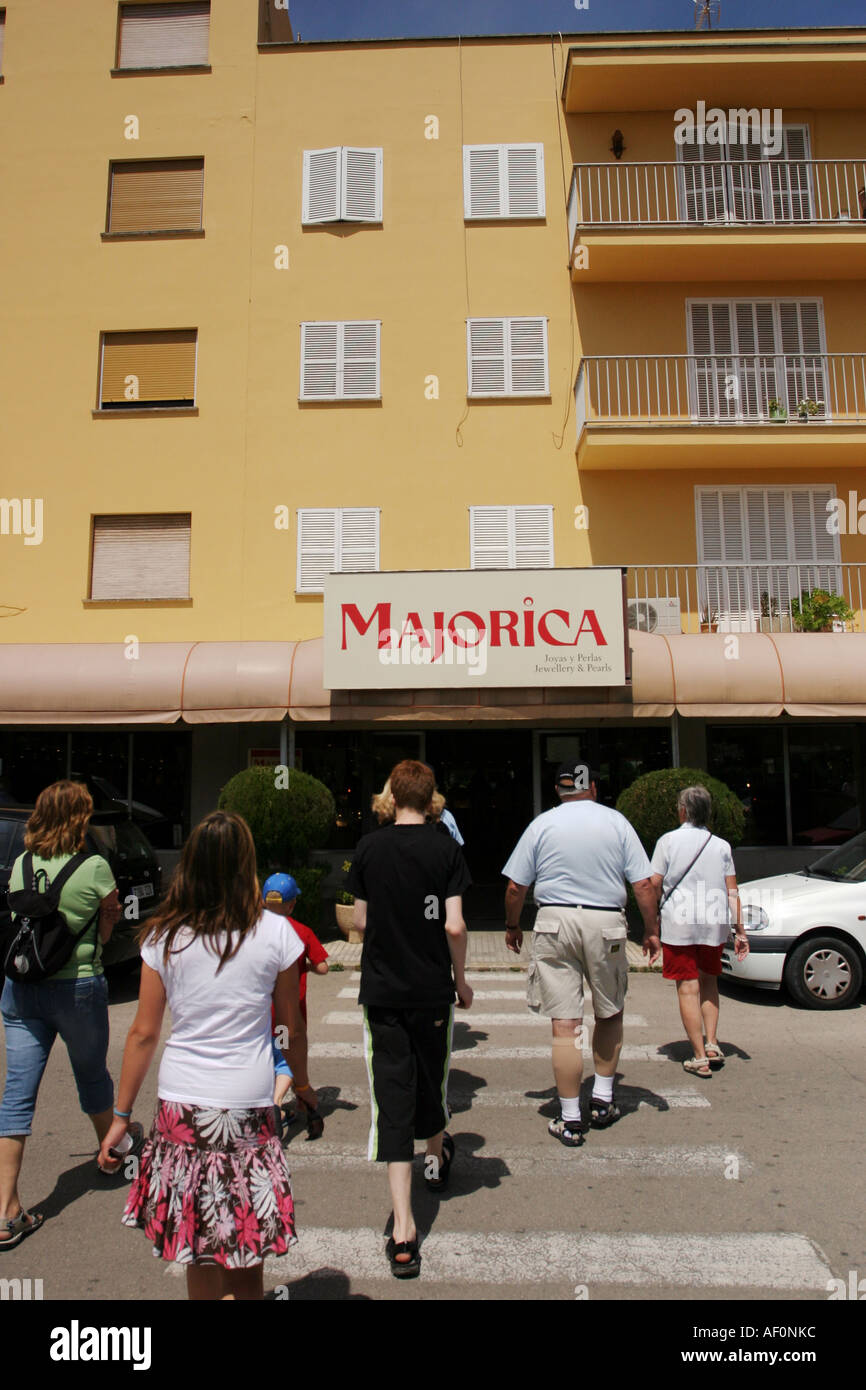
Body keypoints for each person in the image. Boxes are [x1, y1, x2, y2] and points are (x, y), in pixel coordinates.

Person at [99, 810, 314, 1300]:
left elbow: (143, 1034)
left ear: (190, 864)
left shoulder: (163, 934)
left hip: (182, 1105)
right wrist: (300, 1084)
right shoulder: (276, 932)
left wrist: (120, 1117)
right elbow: (289, 1028)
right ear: (246, 866)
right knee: (246, 1246)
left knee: (196, 1243)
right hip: (249, 1103)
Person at [346, 760, 473, 1279]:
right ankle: (436, 1161)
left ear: (392, 796)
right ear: (431, 798)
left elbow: (359, 920)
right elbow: (455, 925)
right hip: (431, 991)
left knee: (392, 1098)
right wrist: (461, 980)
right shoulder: (446, 849)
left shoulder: (368, 847)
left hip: (383, 991)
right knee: (432, 1079)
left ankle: (403, 1231)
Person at [0, 780, 131, 1250]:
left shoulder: (21, 863)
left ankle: (6, 1211)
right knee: (91, 1074)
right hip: (77, 986)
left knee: (17, 1094)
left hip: (21, 988)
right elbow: (110, 919)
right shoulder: (93, 866)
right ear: (79, 819)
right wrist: (102, 927)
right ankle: (112, 1152)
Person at [502, 761, 660, 1147]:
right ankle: (603, 1099)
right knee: (610, 1011)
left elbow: (515, 887)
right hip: (606, 923)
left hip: (554, 921)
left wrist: (512, 925)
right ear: (593, 788)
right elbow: (643, 885)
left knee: (566, 1024)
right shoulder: (616, 822)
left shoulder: (542, 825)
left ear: (559, 790)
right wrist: (652, 930)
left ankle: (571, 1117)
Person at [649, 785, 750, 1077]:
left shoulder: (668, 841)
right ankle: (713, 1043)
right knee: (709, 982)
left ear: (683, 811)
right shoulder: (721, 846)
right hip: (713, 924)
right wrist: (740, 931)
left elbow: (654, 883)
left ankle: (698, 1056)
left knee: (687, 987)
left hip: (678, 925)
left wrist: (651, 921)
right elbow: (732, 891)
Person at [261, 872, 327, 1138]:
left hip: (262, 1014)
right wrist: (307, 967)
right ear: (292, 904)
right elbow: (323, 967)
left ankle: (267, 1104)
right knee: (286, 1059)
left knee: (268, 1058)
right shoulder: (301, 931)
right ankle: (276, 1103)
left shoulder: (253, 931)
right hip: (288, 1014)